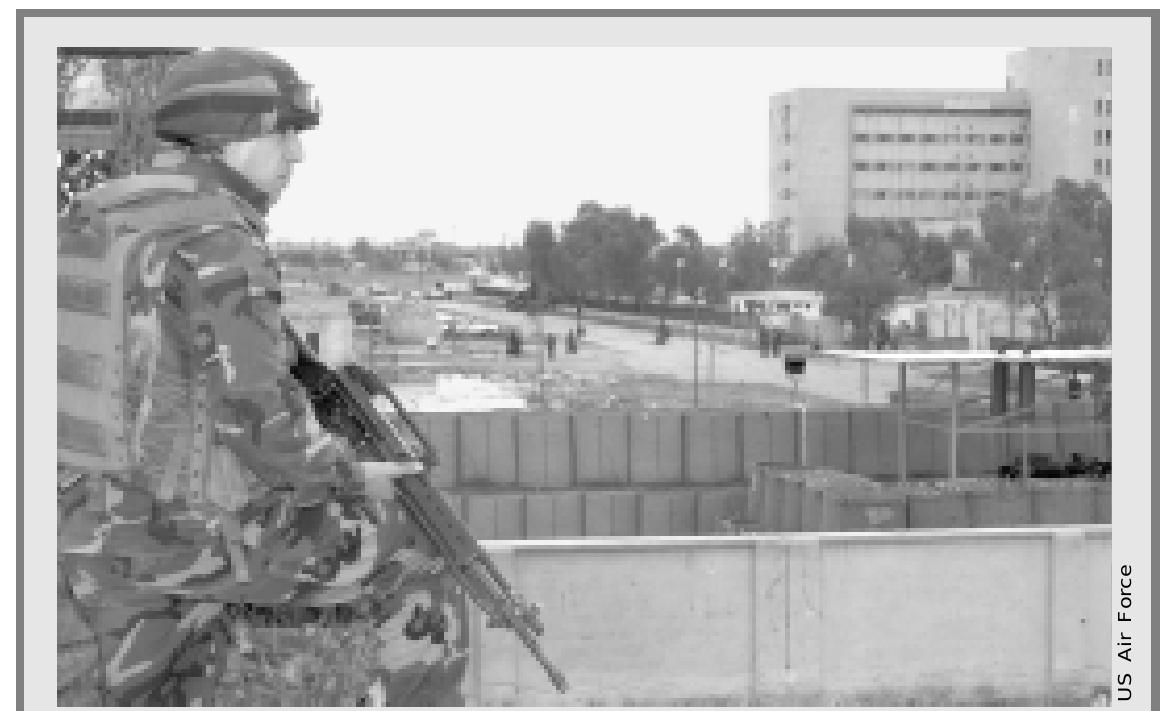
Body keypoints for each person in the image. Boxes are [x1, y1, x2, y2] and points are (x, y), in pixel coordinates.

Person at [57, 48, 466, 705]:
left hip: (75, 524)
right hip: (176, 537)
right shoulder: (220, 241)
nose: (295, 157)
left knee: (144, 682)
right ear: (237, 135)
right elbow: (261, 426)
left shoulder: (88, 221)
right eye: (286, 135)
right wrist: (351, 471)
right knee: (417, 554)